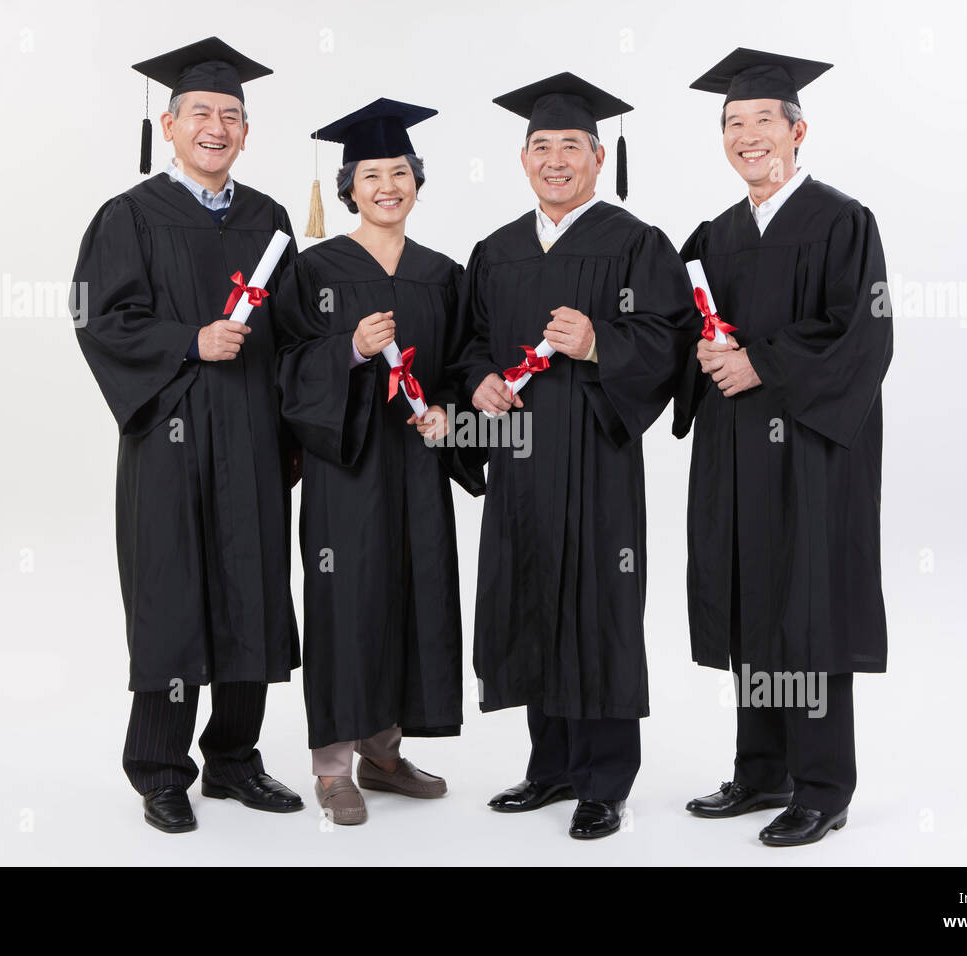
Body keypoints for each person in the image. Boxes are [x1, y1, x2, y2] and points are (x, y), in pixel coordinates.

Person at [452, 73, 697, 840]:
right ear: (522, 158)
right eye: (541, 147)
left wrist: (600, 344)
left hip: (595, 457)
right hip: (522, 460)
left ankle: (604, 780)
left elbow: (670, 340)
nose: (555, 161)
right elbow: (466, 347)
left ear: (598, 155)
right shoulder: (494, 252)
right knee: (529, 598)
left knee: (598, 606)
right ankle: (550, 766)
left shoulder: (636, 244)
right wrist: (481, 383)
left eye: (570, 146)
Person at [71, 37, 304, 833]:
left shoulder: (269, 220)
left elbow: (298, 331)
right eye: (200, 112)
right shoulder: (129, 216)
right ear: (168, 125)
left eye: (231, 115)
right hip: (168, 435)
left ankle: (235, 761)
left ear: (246, 132)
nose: (216, 126)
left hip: (251, 434)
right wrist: (188, 342)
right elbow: (97, 316)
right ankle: (162, 770)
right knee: (173, 596)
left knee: (253, 591)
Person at [674, 48, 894, 846]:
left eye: (763, 120)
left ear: (799, 131)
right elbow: (684, 339)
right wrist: (700, 356)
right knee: (751, 597)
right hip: (736, 451)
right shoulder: (715, 236)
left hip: (810, 453)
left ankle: (823, 787)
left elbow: (864, 336)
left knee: (808, 605)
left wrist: (759, 361)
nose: (747, 135)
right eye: (733, 123)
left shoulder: (842, 221)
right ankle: (761, 771)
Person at [272, 99, 484, 826]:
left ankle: (385, 753)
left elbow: (462, 367)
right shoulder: (315, 268)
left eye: (401, 172)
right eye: (372, 174)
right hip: (346, 469)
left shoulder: (443, 273)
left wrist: (449, 418)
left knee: (410, 594)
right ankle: (333, 768)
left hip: (418, 468)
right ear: (348, 187)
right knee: (345, 603)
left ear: (418, 182)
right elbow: (286, 366)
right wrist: (349, 351)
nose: (387, 185)